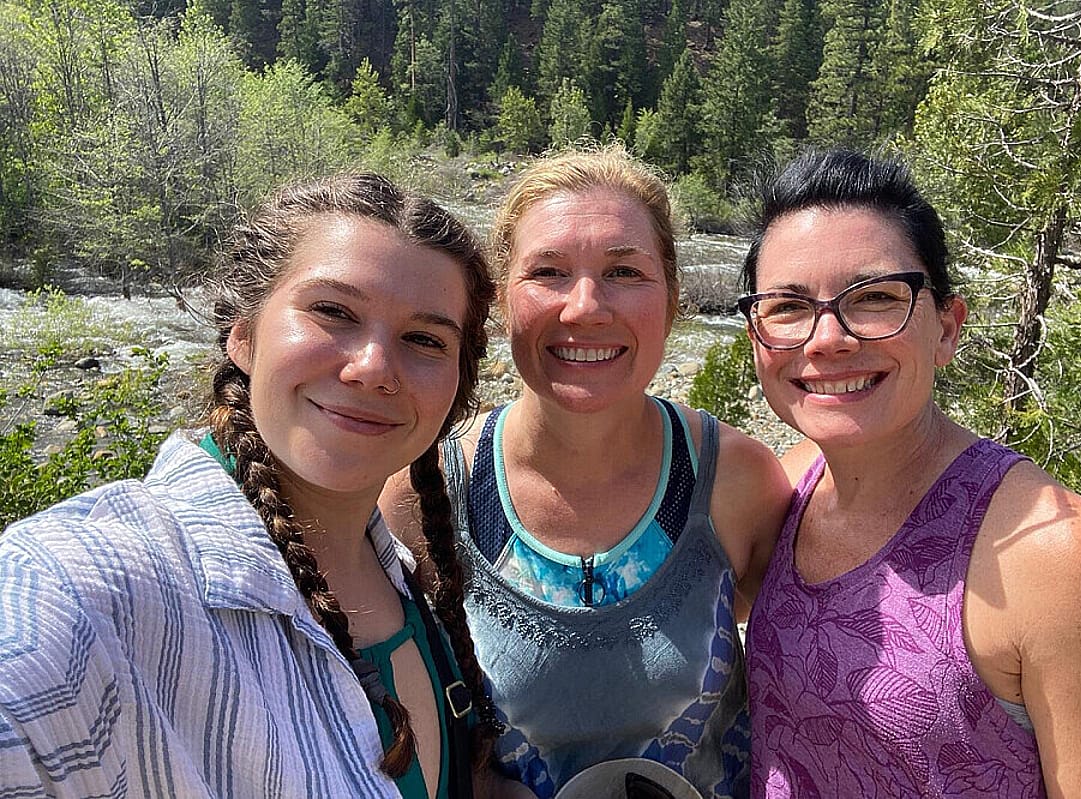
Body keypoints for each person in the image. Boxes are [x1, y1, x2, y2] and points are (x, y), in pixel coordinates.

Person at [0, 173, 533, 798]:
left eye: (423, 339)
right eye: (333, 312)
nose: (372, 369)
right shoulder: (88, 584)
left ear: (458, 387)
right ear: (244, 336)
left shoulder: (406, 578)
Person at [739, 149, 1081, 798]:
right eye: (787, 307)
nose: (826, 338)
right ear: (755, 337)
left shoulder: (1065, 560)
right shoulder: (787, 489)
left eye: (877, 298)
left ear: (947, 328)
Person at [380, 146, 793, 799]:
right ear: (501, 301)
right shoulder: (429, 493)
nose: (585, 307)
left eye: (624, 271)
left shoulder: (730, 479)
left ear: (673, 297)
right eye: (548, 272)